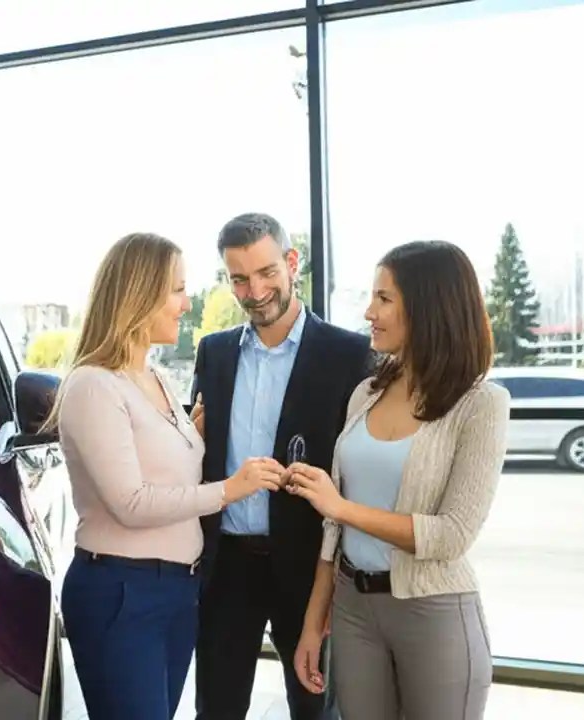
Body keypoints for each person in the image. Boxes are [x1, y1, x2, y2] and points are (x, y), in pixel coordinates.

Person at [48, 232, 285, 720]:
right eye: (177, 289)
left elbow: (159, 461)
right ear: (140, 294)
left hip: (177, 590)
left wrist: (190, 437)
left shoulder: (157, 379)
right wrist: (230, 490)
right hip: (123, 593)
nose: (186, 302)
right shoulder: (93, 386)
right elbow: (131, 502)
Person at [286, 240, 507, 720]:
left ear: (428, 307)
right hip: (352, 607)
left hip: (433, 611)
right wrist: (312, 622)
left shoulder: (481, 404)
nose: (369, 312)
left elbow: (450, 534)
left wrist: (339, 507)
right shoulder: (366, 392)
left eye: (384, 298)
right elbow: (333, 530)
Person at [190, 212, 373, 720]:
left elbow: (358, 471)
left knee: (315, 707)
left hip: (309, 566)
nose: (255, 290)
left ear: (292, 264)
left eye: (267, 272)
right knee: (217, 707)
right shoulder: (215, 353)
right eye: (240, 278)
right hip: (227, 565)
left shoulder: (350, 354)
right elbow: (198, 456)